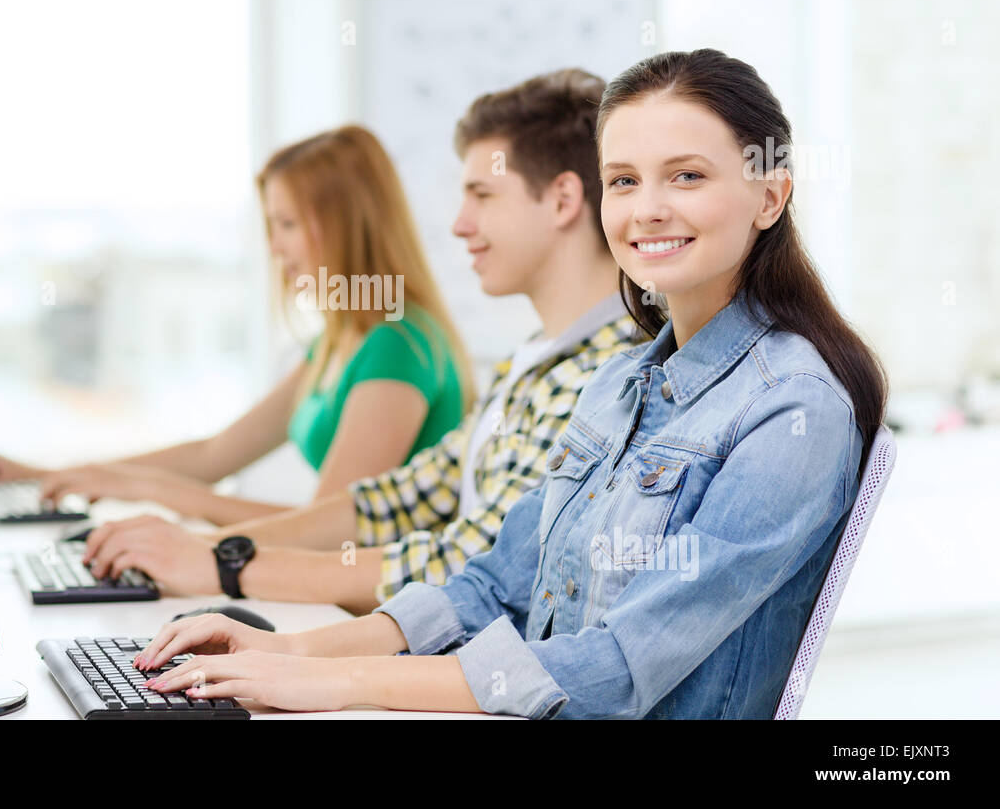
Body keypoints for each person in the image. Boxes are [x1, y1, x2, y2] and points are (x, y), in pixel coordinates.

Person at [127, 49, 889, 719]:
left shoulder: (793, 408)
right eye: (623, 180)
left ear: (769, 196)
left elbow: (617, 667)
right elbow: (491, 583)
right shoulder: (624, 383)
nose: (647, 208)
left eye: (686, 176)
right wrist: (294, 654)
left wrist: (340, 681)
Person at [78, 68, 639, 614]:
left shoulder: (608, 377)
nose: (459, 224)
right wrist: (206, 551)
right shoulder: (533, 362)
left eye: (482, 195)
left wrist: (226, 564)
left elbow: (477, 565)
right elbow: (392, 501)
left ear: (563, 201)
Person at [0, 125, 472, 526]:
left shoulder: (399, 343)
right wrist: (46, 475)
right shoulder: (339, 341)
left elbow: (326, 529)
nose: (275, 247)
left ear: (345, 224)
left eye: (288, 224)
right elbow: (213, 455)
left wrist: (159, 495)